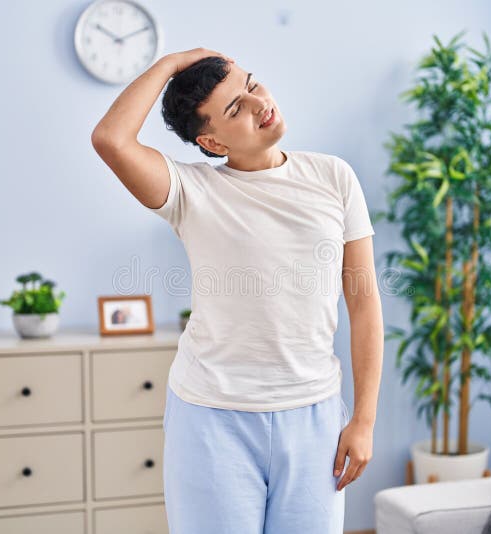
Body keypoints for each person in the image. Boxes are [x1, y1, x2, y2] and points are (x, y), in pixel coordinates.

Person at [91, 47, 384, 534]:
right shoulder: (190, 192)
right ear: (211, 141)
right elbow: (111, 139)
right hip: (211, 420)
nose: (258, 103)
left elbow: (364, 302)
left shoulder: (335, 178)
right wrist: (169, 64)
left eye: (252, 85)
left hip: (314, 418)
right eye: (234, 109)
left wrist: (365, 420)